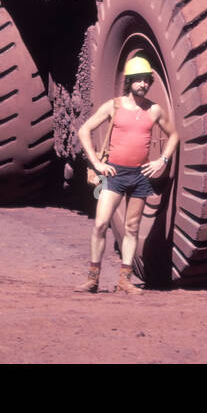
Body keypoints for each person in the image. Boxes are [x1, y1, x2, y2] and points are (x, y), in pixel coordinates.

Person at [73, 53, 179, 294]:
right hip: (114, 174)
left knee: (132, 228)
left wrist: (161, 160)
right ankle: (92, 279)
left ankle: (124, 280)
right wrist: (97, 164)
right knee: (100, 224)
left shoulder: (154, 110)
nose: (143, 83)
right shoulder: (114, 106)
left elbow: (174, 135)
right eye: (138, 79)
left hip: (140, 176)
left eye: (146, 80)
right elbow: (84, 130)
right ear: (129, 81)